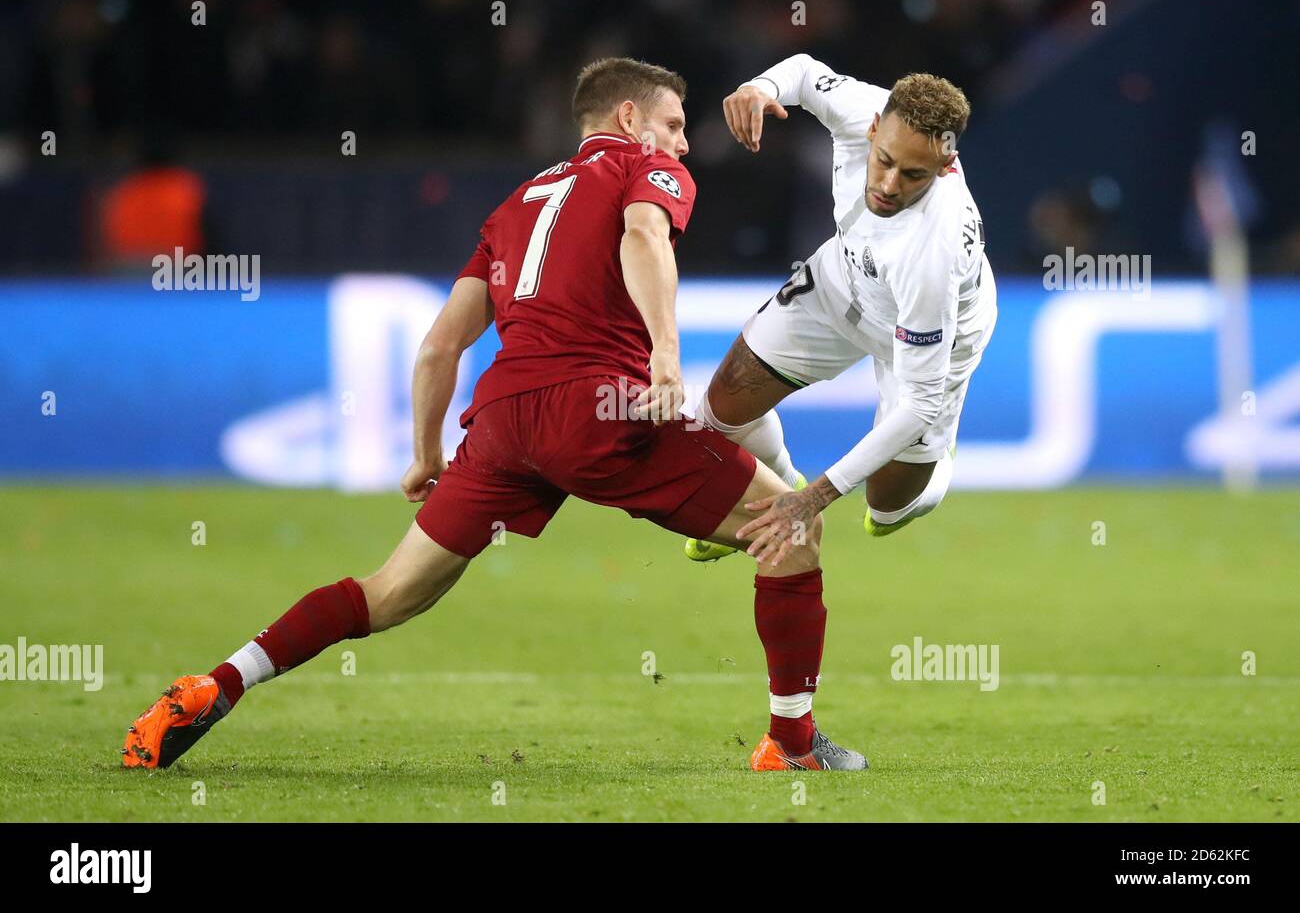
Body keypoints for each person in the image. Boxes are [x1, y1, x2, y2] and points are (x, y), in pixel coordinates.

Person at [121, 57, 866, 775]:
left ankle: (219, 681)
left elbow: (440, 346)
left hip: (504, 422)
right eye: (672, 123)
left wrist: (425, 453)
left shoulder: (515, 205)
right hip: (595, 407)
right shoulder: (645, 168)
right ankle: (791, 744)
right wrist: (666, 356)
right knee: (794, 522)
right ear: (629, 117)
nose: (682, 141)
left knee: (389, 592)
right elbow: (644, 237)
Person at [683, 54, 998, 563]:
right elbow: (806, 72)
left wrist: (815, 499)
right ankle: (775, 488)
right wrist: (759, 87)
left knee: (887, 510)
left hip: (926, 332)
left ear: (944, 168)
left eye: (914, 174)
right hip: (843, 281)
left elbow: (918, 403)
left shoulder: (931, 255)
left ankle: (936, 461)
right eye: (885, 160)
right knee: (720, 413)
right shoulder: (862, 109)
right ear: (874, 127)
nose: (890, 185)